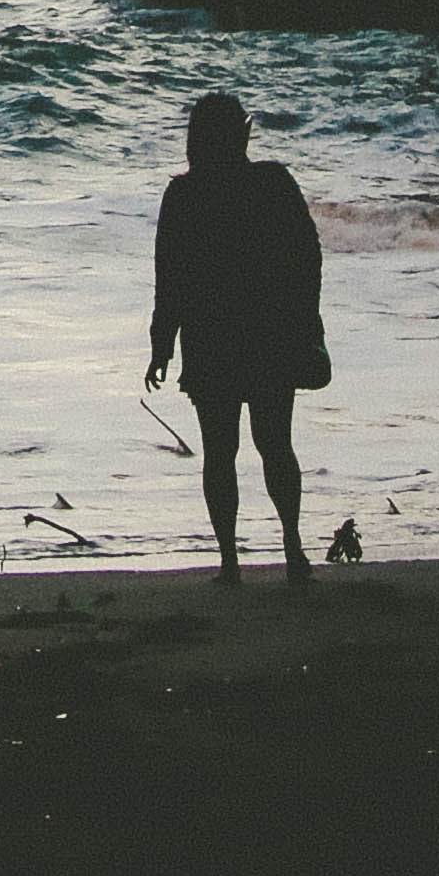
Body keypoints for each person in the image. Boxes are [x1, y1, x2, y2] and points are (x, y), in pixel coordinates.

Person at [146, 92, 327, 584]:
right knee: (276, 445)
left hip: (210, 339)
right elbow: (307, 256)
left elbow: (170, 278)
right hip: (271, 333)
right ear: (242, 133)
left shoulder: (183, 196)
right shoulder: (273, 183)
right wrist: (308, 321)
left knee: (219, 453)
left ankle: (230, 562)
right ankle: (292, 549)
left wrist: (162, 344)